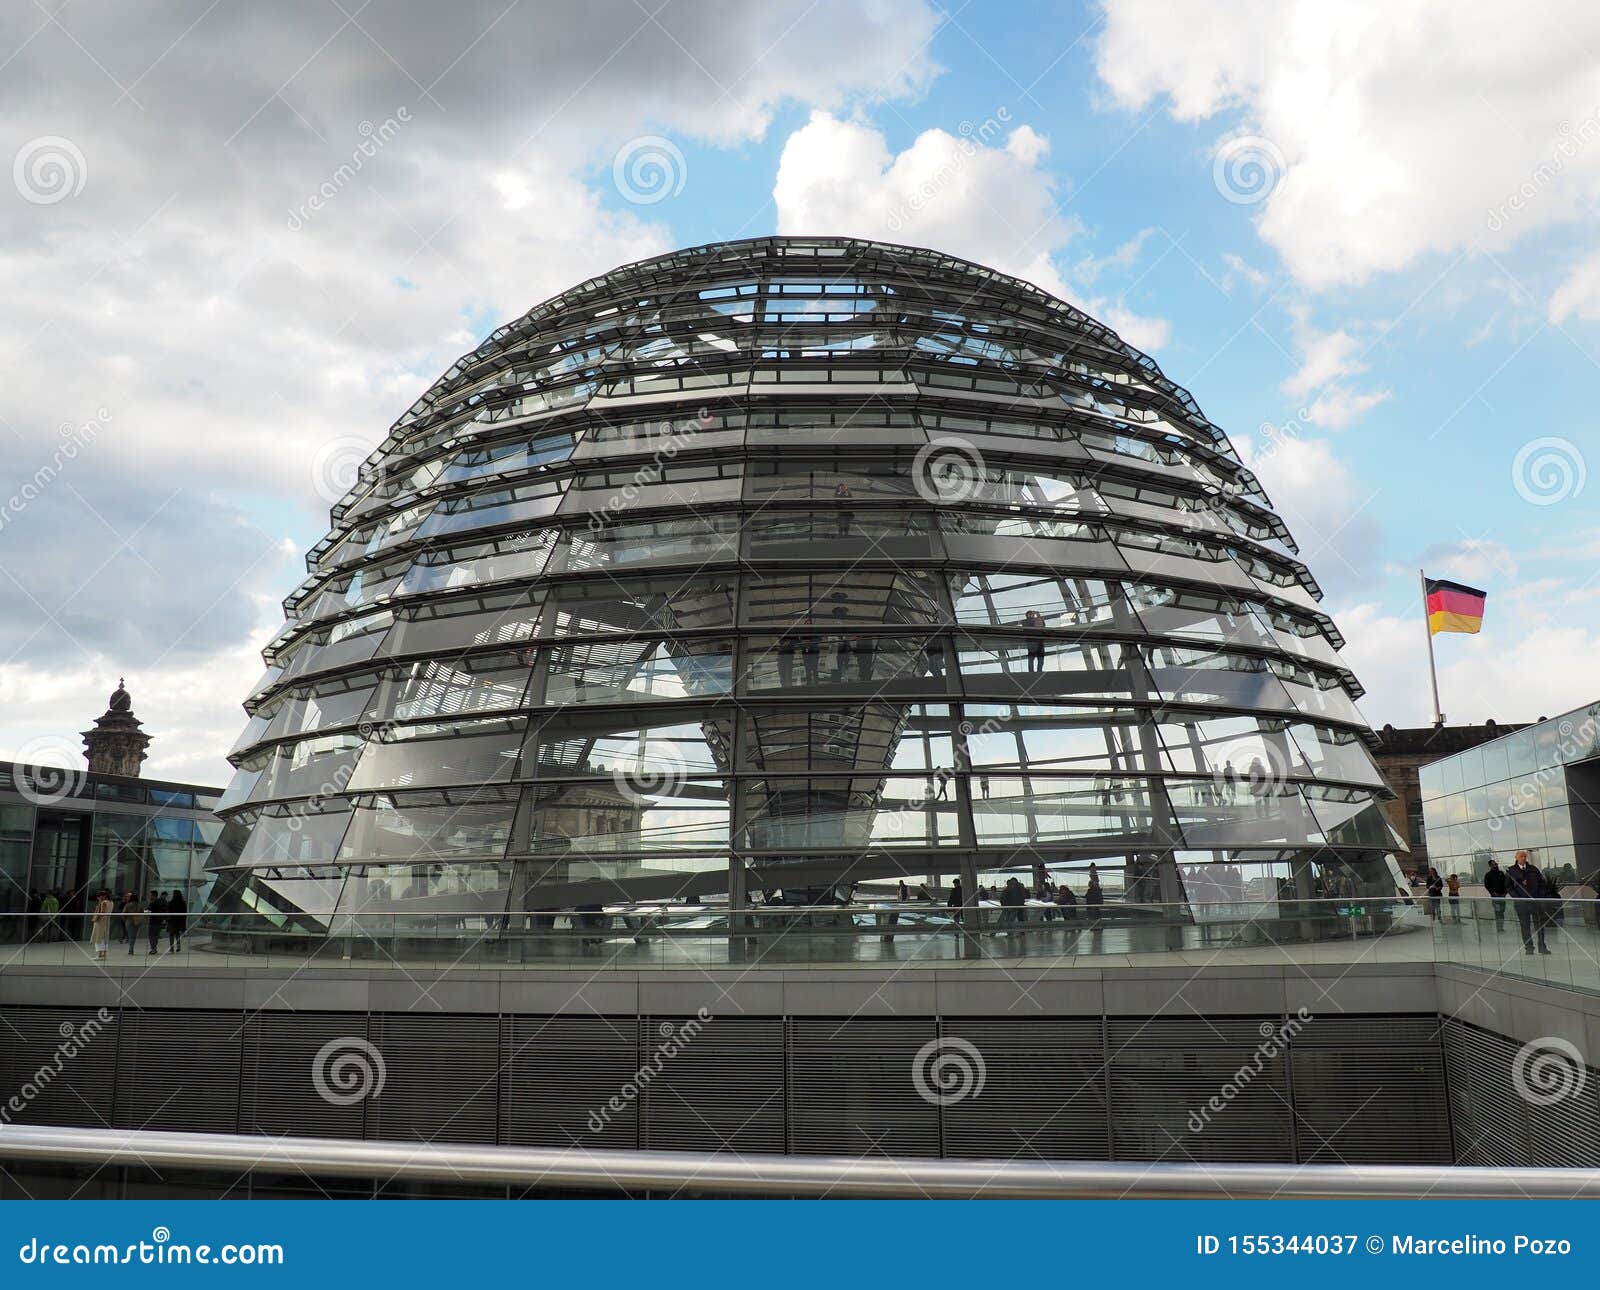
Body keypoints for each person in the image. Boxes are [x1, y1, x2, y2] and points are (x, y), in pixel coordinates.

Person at [1506, 850, 1550, 955]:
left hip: (1535, 902)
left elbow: (1542, 884)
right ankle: (1529, 948)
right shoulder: (1511, 871)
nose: (1524, 858)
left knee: (1539, 925)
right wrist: (1518, 898)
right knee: (1525, 926)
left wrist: (1539, 897)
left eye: (1525, 856)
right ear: (1516, 858)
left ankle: (1542, 947)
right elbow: (1509, 887)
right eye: (1521, 856)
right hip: (1522, 904)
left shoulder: (1533, 869)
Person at [1483, 857, 1507, 931]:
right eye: (1494, 864)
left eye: (1496, 864)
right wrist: (1493, 893)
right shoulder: (1488, 875)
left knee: (1502, 912)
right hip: (1495, 897)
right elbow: (1487, 885)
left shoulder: (1501, 873)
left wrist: (1505, 893)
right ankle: (1498, 928)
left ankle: (1501, 927)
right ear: (1490, 865)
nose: (1495, 865)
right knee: (1497, 912)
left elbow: (1506, 883)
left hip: (1502, 897)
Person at [90, 890, 113, 961]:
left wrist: (96, 915)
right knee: (104, 938)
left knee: (98, 937)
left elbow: (102, 913)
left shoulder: (103, 903)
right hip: (107, 921)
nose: (98, 898)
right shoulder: (111, 902)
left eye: (99, 897)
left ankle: (99, 955)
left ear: (103, 896)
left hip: (100, 922)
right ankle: (104, 954)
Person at [120, 891, 145, 955]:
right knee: (133, 936)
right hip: (137, 922)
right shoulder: (139, 905)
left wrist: (125, 920)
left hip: (129, 922)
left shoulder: (128, 905)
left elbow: (123, 914)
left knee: (130, 936)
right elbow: (142, 913)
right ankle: (131, 948)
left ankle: (131, 949)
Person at [146, 890, 167, 954]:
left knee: (151, 935)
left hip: (153, 922)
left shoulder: (153, 903)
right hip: (159, 921)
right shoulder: (160, 902)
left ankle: (153, 948)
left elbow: (148, 910)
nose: (149, 896)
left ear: (153, 895)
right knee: (155, 935)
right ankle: (154, 948)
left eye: (150, 895)